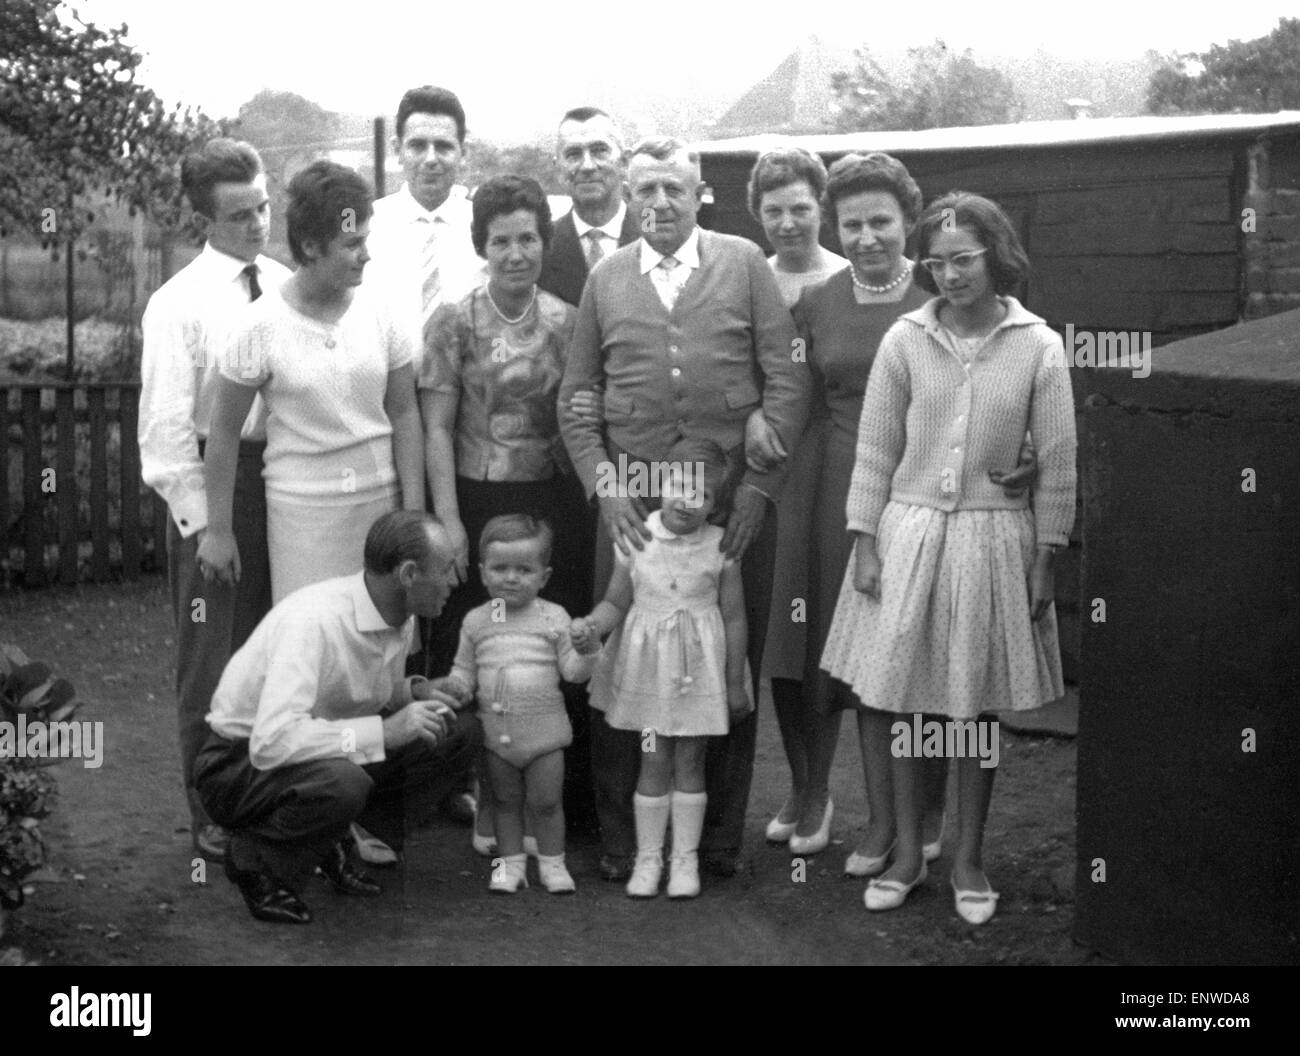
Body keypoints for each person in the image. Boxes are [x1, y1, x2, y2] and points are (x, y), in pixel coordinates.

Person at [749, 153, 1038, 869]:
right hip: (837, 486)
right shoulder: (816, 301)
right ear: (835, 226)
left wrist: (1027, 442)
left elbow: (1012, 366)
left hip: (940, 491)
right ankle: (839, 804)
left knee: (930, 653)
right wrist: (759, 416)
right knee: (834, 655)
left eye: (882, 221)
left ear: (909, 222)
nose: (868, 235)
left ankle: (926, 813)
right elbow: (789, 385)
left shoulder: (941, 282)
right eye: (853, 223)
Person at [821, 191, 1077, 925]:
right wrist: (865, 543)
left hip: (993, 539)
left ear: (996, 257)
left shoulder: (1039, 346)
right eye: (936, 263)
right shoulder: (906, 338)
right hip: (909, 536)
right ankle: (906, 852)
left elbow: (1057, 462)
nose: (950, 275)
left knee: (971, 711)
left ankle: (967, 858)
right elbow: (875, 451)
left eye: (963, 260)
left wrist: (1045, 555)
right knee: (899, 699)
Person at [559, 136, 809, 882]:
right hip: (633, 506)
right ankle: (623, 843)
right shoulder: (606, 277)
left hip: (729, 499)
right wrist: (608, 493)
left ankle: (715, 844)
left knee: (724, 660)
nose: (658, 204)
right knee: (623, 662)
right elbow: (577, 402)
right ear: (628, 199)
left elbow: (788, 380)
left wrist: (760, 492)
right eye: (645, 191)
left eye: (673, 189)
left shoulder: (743, 263)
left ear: (701, 193)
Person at [193, 510, 482, 925]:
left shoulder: (397, 610)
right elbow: (271, 740)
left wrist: (416, 692)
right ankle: (255, 863)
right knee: (344, 782)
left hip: (310, 753)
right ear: (408, 573)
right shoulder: (314, 622)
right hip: (235, 766)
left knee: (457, 729)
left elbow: (360, 694)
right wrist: (383, 731)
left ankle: (328, 840)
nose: (455, 581)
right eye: (447, 569)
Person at [419, 175, 586, 848]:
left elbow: (579, 422)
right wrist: (450, 520)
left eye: (527, 238)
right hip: (477, 495)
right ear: (480, 246)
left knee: (544, 649)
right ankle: (477, 794)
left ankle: (553, 798)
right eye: (500, 241)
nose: (515, 253)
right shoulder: (453, 321)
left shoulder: (568, 321)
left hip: (550, 501)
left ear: (543, 241)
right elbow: (435, 428)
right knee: (479, 649)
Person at [139, 137, 290, 860]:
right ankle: (208, 811)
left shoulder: (288, 284)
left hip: (285, 486)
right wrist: (210, 529)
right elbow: (166, 434)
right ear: (205, 218)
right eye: (239, 215)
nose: (258, 223)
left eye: (263, 205)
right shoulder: (179, 304)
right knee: (211, 661)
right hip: (214, 492)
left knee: (278, 652)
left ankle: (271, 798)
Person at [198, 160, 424, 604]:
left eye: (367, 240)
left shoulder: (384, 311)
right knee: (312, 648)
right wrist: (218, 531)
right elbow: (222, 433)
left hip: (381, 509)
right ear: (310, 246)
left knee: (383, 647)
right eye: (352, 243)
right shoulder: (255, 328)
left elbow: (404, 412)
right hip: (302, 520)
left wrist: (413, 516)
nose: (367, 254)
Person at [573, 440, 748, 899]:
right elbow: (616, 601)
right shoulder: (637, 536)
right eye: (679, 484)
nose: (687, 500)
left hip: (700, 672)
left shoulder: (721, 547)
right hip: (648, 670)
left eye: (702, 493)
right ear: (659, 485)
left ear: (716, 503)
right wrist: (592, 626)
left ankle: (684, 860)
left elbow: (734, 617)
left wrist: (733, 684)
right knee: (653, 759)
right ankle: (648, 857)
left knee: (691, 760)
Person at [436, 515, 597, 894]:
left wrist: (589, 651)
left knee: (546, 803)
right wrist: (456, 687)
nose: (511, 577)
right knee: (505, 802)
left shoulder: (553, 616)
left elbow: (574, 673)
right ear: (483, 572)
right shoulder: (478, 621)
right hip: (497, 736)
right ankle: (509, 866)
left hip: (544, 736)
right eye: (500, 568)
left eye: (524, 569)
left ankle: (552, 863)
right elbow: (464, 670)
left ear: (544, 576)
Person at [366, 85, 486, 368]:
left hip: (469, 399)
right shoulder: (367, 225)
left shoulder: (486, 228)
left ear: (463, 152)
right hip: (386, 399)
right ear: (397, 150)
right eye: (418, 146)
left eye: (443, 146)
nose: (431, 159)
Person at [538, 106, 642, 309]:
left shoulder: (654, 233)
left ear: (625, 162)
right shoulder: (541, 247)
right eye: (573, 154)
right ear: (558, 167)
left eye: (599, 151)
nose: (587, 166)